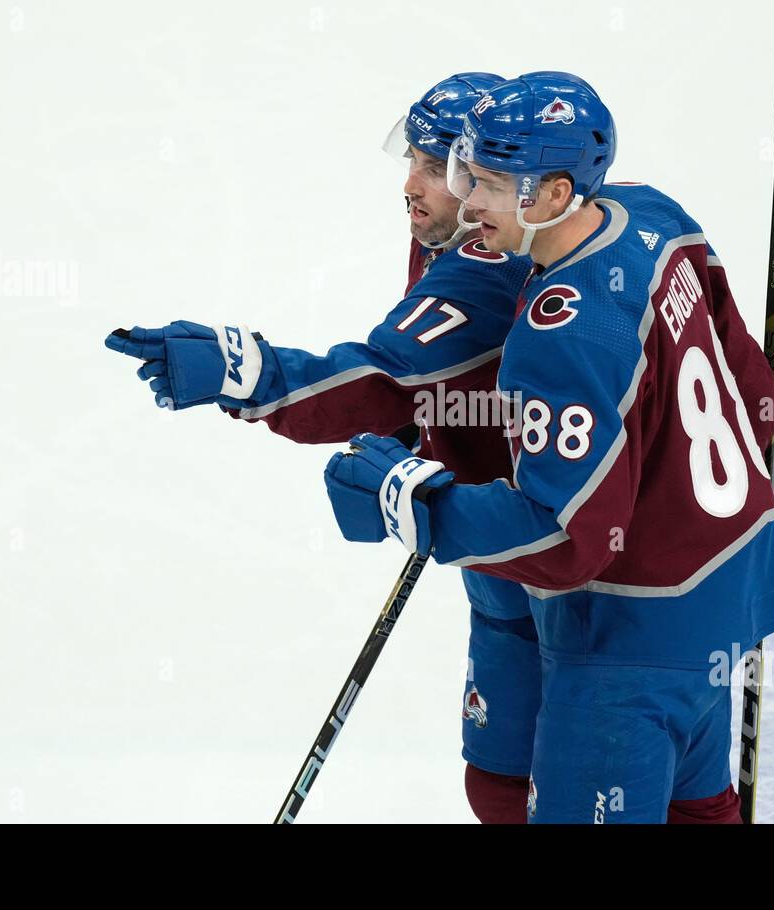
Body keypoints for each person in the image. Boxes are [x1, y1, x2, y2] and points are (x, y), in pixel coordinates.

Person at [323, 71, 774, 824]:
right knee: (510, 781)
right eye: (440, 166)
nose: (430, 185)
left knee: (622, 774)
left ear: (546, 193)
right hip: (600, 574)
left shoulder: (566, 303)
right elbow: (746, 392)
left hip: (597, 588)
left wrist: (423, 507)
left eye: (462, 172)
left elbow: (567, 526)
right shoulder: (622, 225)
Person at [104, 73, 546, 823]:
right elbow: (434, 377)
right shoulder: (444, 233)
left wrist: (246, 372)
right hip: (498, 560)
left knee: (572, 794)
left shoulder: (483, 263)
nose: (411, 184)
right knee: (500, 787)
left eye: (435, 166)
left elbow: (373, 380)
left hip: (556, 561)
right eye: (409, 157)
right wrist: (427, 430)